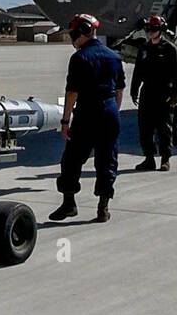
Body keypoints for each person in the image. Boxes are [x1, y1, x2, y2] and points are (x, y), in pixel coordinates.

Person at [51, 13, 126, 223]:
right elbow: (119, 90)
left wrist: (65, 122)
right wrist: (113, 112)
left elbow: (72, 93)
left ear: (83, 32)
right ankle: (103, 208)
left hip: (87, 114)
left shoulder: (79, 58)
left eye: (74, 34)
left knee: (72, 160)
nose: (73, 40)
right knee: (107, 161)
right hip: (110, 112)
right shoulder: (114, 56)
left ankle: (69, 203)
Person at [129, 14, 177, 171]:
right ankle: (149, 158)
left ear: (161, 30)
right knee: (145, 127)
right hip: (147, 92)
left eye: (154, 29)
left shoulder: (170, 49)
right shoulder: (144, 49)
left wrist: (175, 94)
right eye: (148, 29)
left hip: (163, 92)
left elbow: (176, 73)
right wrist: (134, 90)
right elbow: (138, 71)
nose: (150, 32)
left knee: (164, 128)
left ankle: (165, 159)